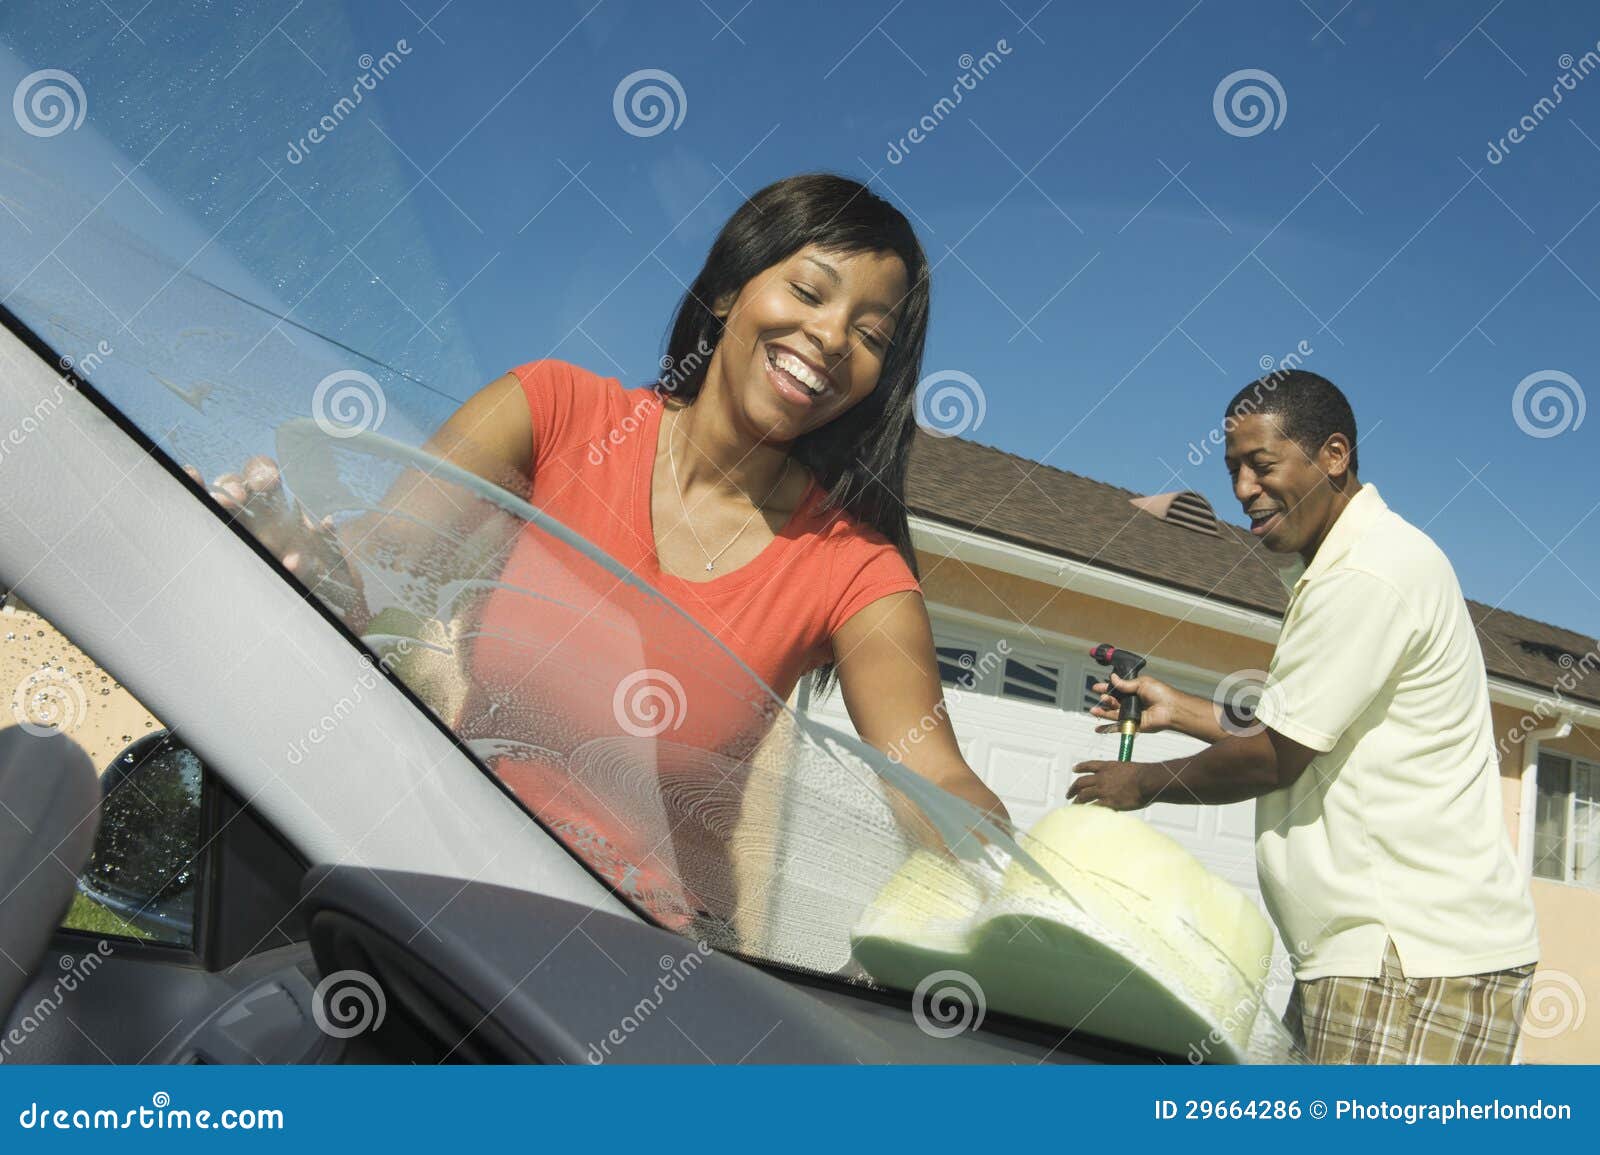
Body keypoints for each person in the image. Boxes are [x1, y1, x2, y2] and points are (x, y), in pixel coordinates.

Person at [192, 173, 1008, 924]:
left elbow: (929, 775)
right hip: (445, 889)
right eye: (808, 290)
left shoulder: (854, 567)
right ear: (728, 289)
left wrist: (999, 863)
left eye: (870, 336)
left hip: (640, 959)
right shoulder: (549, 411)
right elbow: (385, 560)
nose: (832, 338)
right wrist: (301, 549)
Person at [1069, 370, 1539, 1064]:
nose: (1242, 490)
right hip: (1371, 953)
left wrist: (1139, 784)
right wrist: (1182, 710)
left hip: (1410, 955)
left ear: (1334, 455)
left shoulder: (1368, 572)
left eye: (1261, 465)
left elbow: (1276, 755)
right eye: (1232, 470)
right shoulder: (1350, 564)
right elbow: (1306, 733)